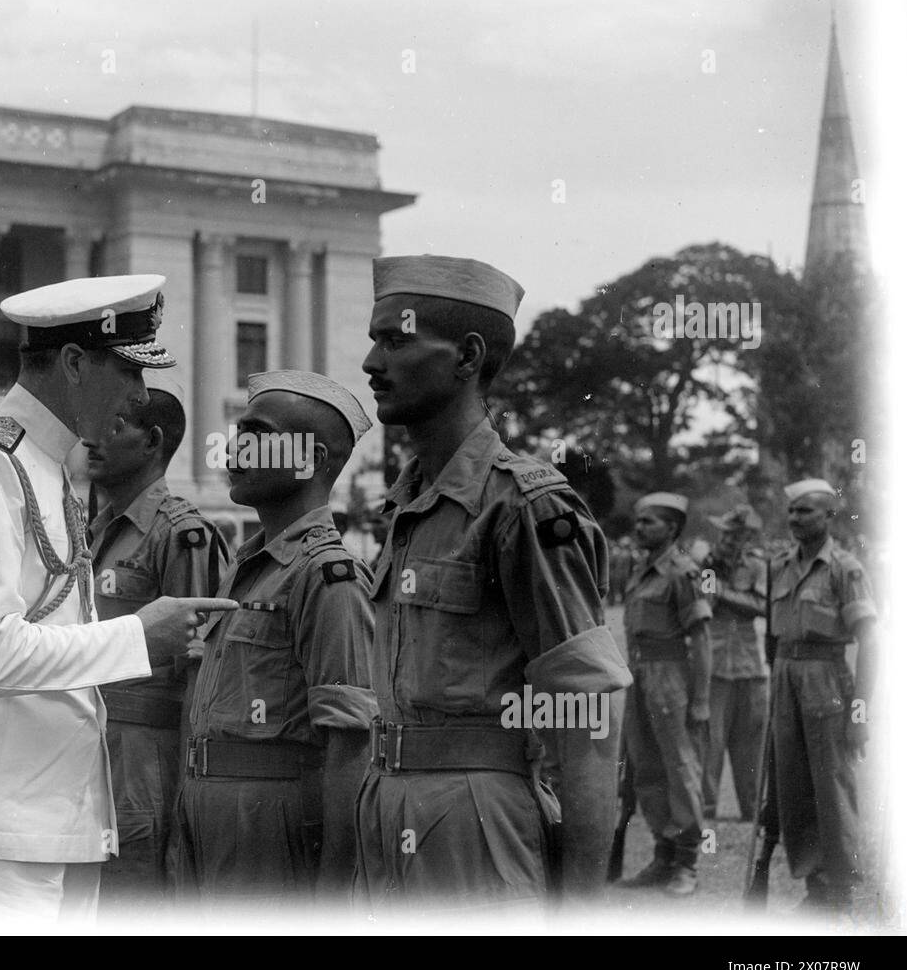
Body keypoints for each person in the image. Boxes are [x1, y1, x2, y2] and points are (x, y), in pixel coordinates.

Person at [0, 274, 235, 926]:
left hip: (37, 819)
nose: (141, 395)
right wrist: (139, 637)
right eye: (128, 371)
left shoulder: (44, 466)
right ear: (72, 363)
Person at [355, 256, 631, 913]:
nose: (370, 361)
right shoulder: (405, 507)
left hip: (478, 825)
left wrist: (582, 912)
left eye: (395, 340)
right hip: (388, 805)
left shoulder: (523, 505)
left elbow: (587, 719)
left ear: (467, 357)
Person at [171, 370, 376, 907]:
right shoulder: (249, 567)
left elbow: (350, 742)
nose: (234, 447)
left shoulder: (328, 576)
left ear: (311, 459)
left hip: (270, 827)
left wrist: (333, 896)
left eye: (256, 433)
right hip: (209, 814)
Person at [85, 375, 228, 907]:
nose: (90, 439)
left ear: (154, 441)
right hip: (91, 744)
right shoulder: (94, 530)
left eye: (113, 426)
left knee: (135, 896)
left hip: (145, 758)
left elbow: (202, 667)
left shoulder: (180, 535)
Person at [769, 478, 875, 911]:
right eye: (792, 511)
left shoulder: (845, 568)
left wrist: (861, 712)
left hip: (826, 682)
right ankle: (816, 887)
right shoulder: (779, 565)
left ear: (829, 516)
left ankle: (841, 892)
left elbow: (872, 641)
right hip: (785, 679)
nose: (796, 519)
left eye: (806, 511)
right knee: (794, 786)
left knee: (831, 789)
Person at [618, 492, 712, 897]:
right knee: (646, 767)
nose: (639, 528)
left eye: (649, 522)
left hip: (670, 675)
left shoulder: (682, 573)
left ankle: (687, 862)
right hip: (638, 675)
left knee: (679, 767)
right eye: (638, 521)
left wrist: (702, 698)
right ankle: (663, 854)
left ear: (672, 528)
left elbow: (702, 638)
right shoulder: (642, 571)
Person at [700, 504, 768, 820]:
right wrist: (717, 581)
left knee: (750, 741)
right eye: (725, 532)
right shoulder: (706, 564)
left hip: (748, 664)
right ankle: (707, 807)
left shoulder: (756, 566)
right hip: (713, 662)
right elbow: (704, 603)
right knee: (710, 739)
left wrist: (724, 592)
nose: (728, 539)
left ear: (746, 538)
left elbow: (760, 605)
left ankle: (751, 809)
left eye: (736, 535)